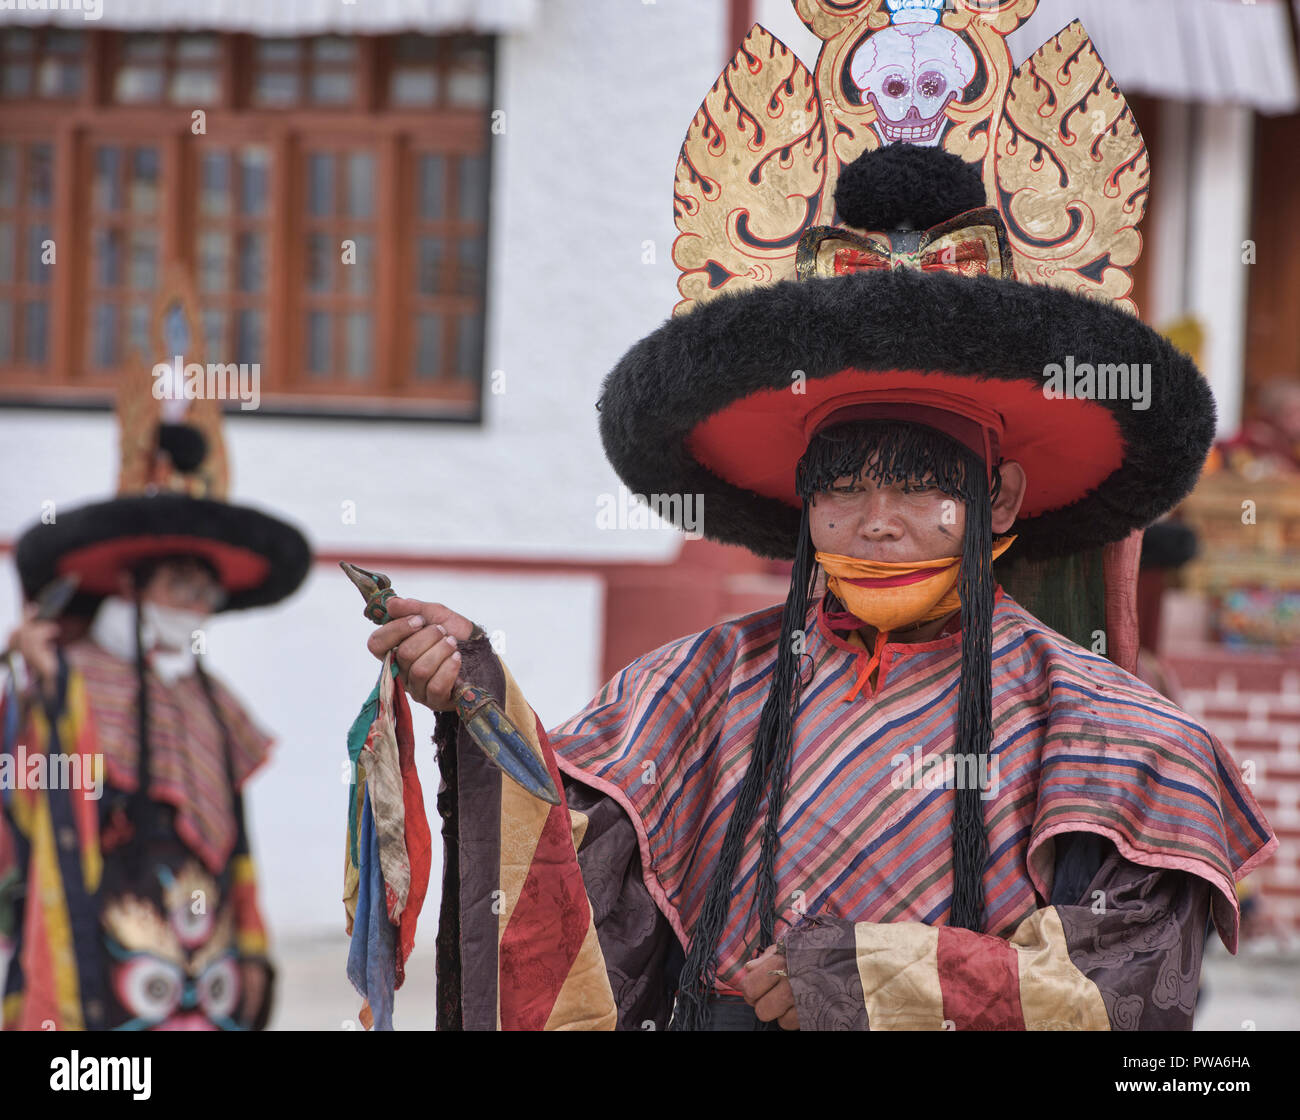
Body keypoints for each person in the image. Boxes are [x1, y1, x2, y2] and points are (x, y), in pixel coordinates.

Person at [363, 1, 1276, 1031]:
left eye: (920, 487)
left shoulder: (1112, 733)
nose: (873, 523)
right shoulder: (699, 687)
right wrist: (478, 704)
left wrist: (859, 979)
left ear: (1001, 499)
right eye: (841, 486)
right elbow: (572, 911)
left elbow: (1123, 995)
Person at [1, 378, 310, 1031]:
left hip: (209, 956)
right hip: (98, 940)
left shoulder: (212, 698)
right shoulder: (68, 681)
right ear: (133, 585)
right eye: (180, 586)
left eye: (206, 593)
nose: (195, 606)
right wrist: (42, 692)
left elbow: (239, 839)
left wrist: (253, 946)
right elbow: (31, 808)